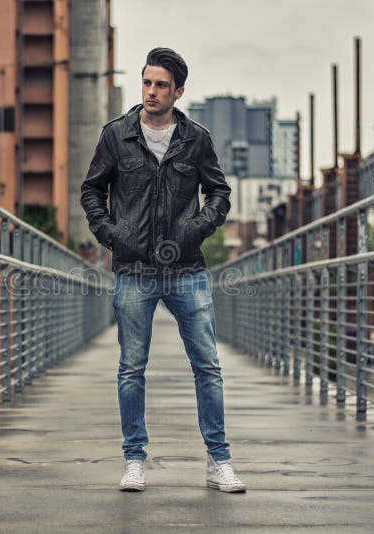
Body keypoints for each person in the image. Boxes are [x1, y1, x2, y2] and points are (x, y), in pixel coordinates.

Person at [80, 47, 246, 493]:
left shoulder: (196, 139)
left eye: (161, 86)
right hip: (133, 268)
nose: (151, 92)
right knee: (132, 367)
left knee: (207, 366)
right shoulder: (117, 135)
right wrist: (112, 235)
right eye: (147, 83)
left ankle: (219, 462)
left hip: (186, 268)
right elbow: (92, 191)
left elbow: (219, 193)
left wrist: (195, 230)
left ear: (178, 91)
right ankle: (134, 459)